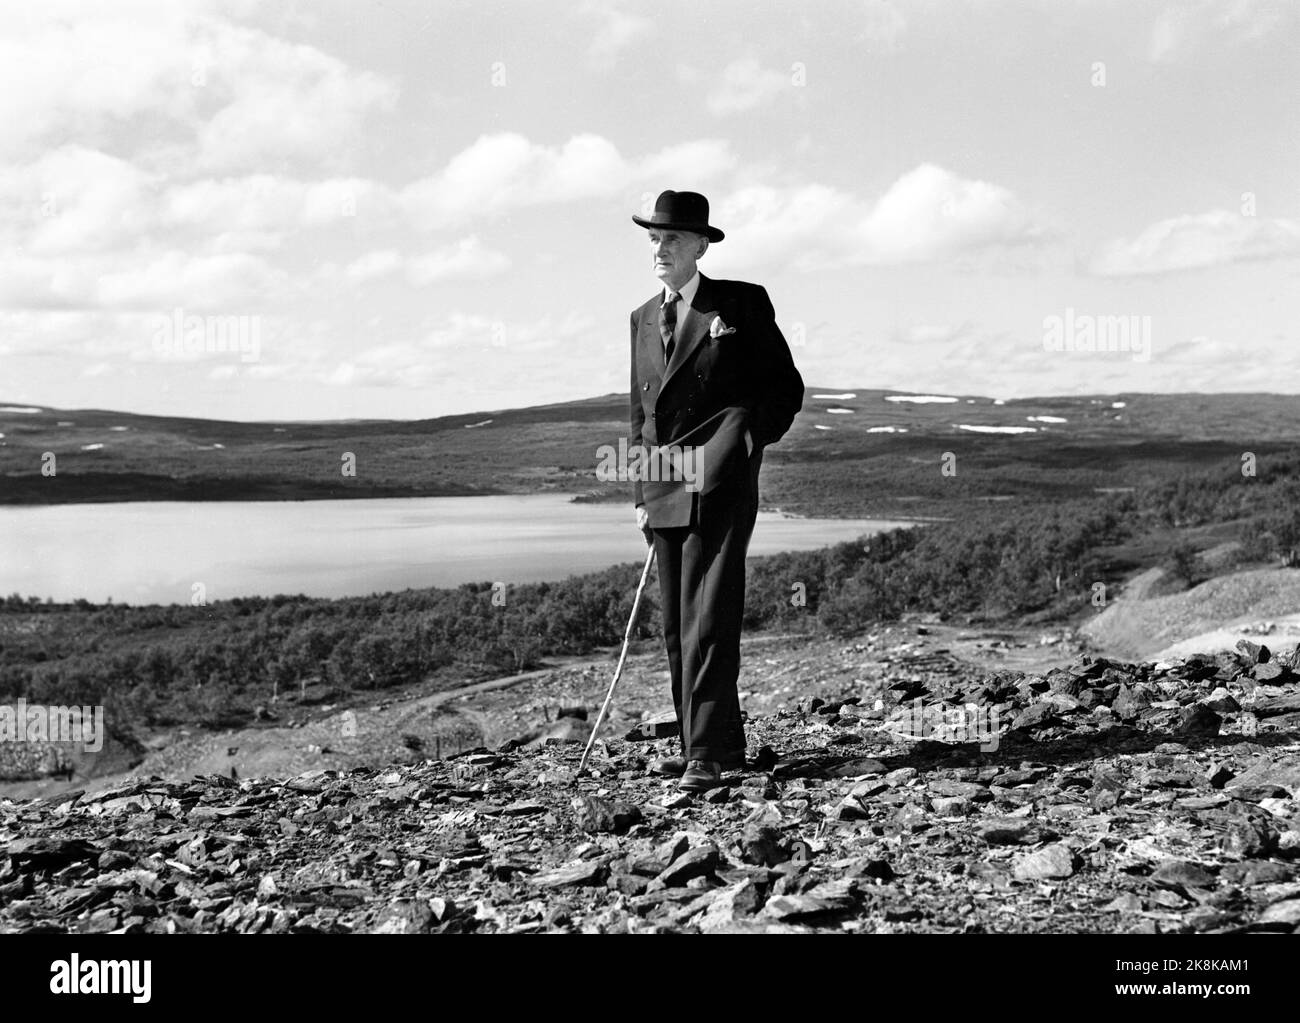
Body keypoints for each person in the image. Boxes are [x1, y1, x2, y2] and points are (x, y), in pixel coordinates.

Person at [628, 189, 804, 792]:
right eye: (654, 237)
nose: (660, 247)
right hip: (663, 487)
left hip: (723, 477)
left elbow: (784, 386)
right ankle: (715, 745)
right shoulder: (642, 318)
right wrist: (639, 497)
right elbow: (640, 416)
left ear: (701, 246)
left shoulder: (741, 303)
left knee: (710, 615)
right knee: (678, 624)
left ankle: (703, 750)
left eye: (672, 238)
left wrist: (752, 436)